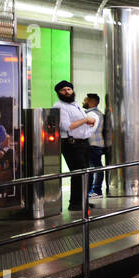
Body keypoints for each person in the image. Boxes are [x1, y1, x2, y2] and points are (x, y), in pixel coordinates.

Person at [54, 80, 96, 212]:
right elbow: (66, 126)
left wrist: (87, 122)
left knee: (85, 173)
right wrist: (85, 120)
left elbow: (78, 123)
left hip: (83, 142)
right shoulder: (60, 106)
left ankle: (83, 201)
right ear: (58, 93)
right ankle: (75, 204)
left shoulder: (75, 104)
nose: (67, 92)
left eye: (69, 89)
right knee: (78, 173)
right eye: (63, 90)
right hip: (71, 143)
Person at [84, 94, 105, 199]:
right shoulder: (98, 113)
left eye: (85, 99)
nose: (83, 101)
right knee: (96, 167)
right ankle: (95, 190)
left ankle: (96, 190)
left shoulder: (91, 114)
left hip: (92, 145)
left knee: (95, 168)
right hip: (97, 144)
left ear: (90, 101)